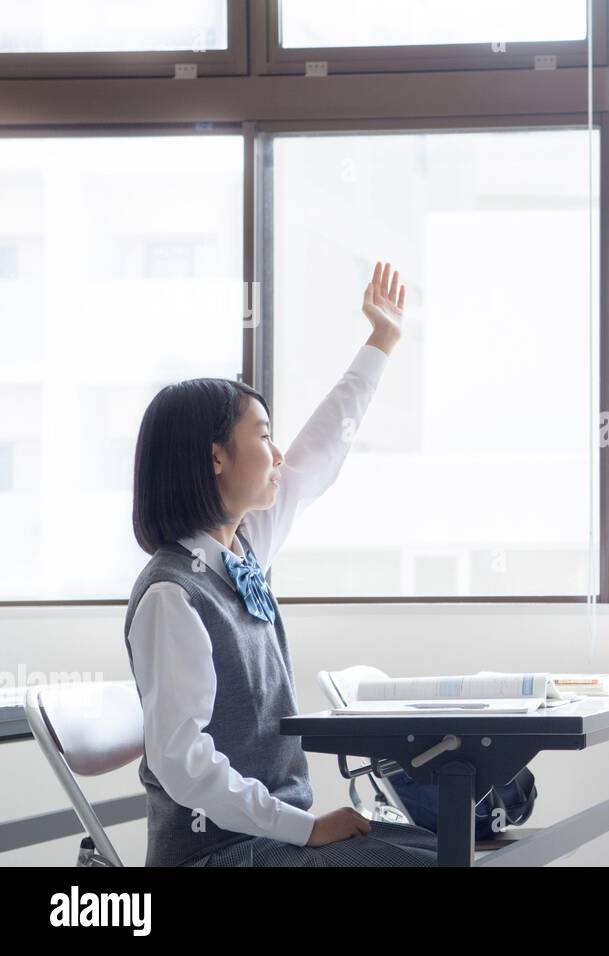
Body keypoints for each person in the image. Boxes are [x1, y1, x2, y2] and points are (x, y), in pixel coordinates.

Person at [125, 261, 444, 866]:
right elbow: (183, 763)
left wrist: (381, 341)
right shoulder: (173, 596)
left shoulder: (239, 554)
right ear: (215, 457)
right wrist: (301, 827)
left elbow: (316, 457)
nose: (277, 454)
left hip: (272, 839)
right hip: (217, 855)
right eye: (263, 436)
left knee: (451, 850)